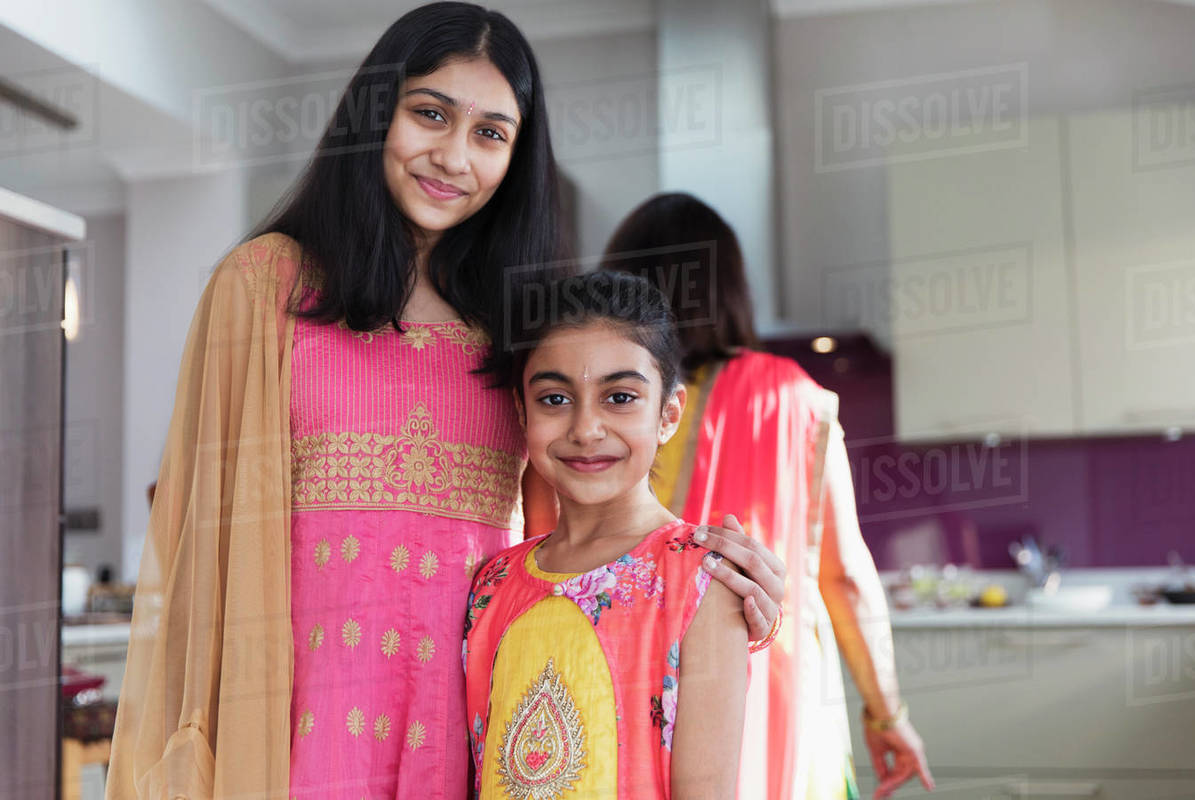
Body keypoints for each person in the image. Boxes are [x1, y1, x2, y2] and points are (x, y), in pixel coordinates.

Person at [106, 7, 785, 798]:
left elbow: (574, 541)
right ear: (376, 113)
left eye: (491, 134)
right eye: (430, 113)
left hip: (472, 739)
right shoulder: (267, 287)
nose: (454, 156)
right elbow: (201, 539)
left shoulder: (518, 322)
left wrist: (711, 588)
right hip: (288, 739)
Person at [603, 193, 936, 800]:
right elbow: (846, 579)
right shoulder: (795, 400)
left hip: (627, 698)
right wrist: (887, 716)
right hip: (777, 709)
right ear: (731, 287)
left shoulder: (603, 410)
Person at [464, 271, 748, 799]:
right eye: (554, 399)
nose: (586, 429)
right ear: (521, 410)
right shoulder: (491, 583)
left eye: (619, 397)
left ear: (668, 414)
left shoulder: (702, 578)